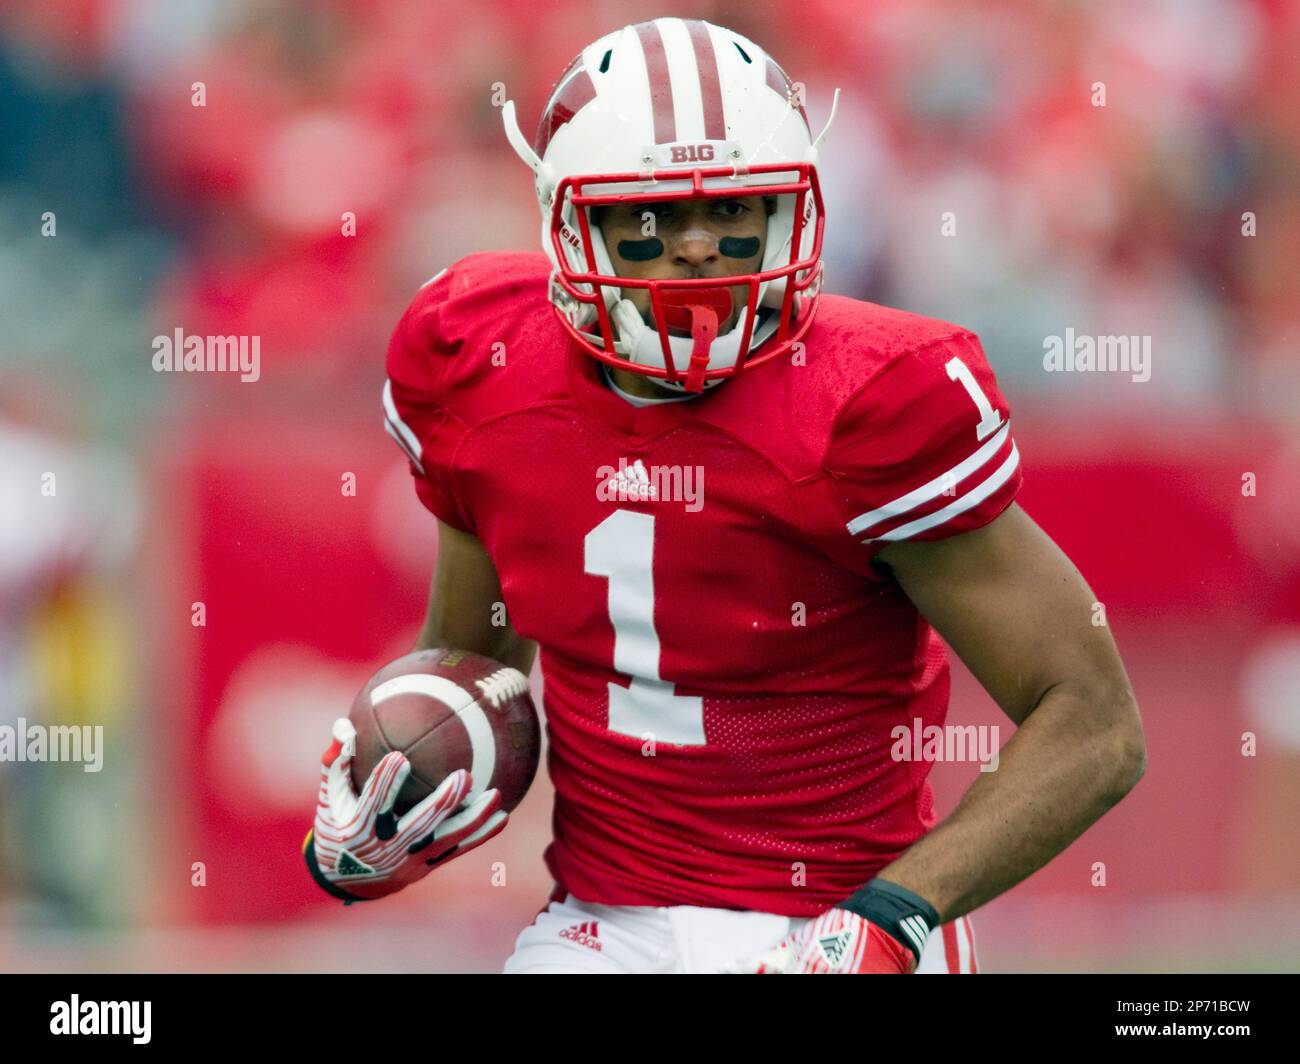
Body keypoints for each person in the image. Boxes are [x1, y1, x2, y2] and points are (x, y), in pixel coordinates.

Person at [303, 17, 1145, 974]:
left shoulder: (871, 401)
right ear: (573, 227)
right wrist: (392, 810)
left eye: (736, 212)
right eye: (652, 219)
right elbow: (472, 660)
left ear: (793, 215)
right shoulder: (481, 361)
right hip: (602, 923)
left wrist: (895, 916)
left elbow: (1093, 719)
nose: (699, 248)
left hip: (833, 918)